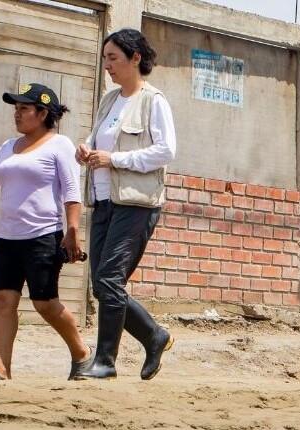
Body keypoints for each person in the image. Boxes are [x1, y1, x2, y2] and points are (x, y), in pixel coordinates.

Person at [0, 84, 90, 380]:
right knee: (3, 301)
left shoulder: (59, 145)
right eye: (15, 108)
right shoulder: (8, 146)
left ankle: (82, 354)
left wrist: (72, 230)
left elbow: (72, 193)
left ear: (43, 112)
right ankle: (2, 369)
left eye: (24, 108)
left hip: (43, 236)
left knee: (44, 302)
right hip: (7, 238)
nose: (17, 114)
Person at [75, 28, 178, 380]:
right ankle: (153, 336)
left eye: (113, 58)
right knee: (103, 283)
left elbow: (165, 152)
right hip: (103, 200)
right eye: (105, 58)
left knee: (109, 278)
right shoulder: (110, 100)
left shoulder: (153, 101)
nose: (107, 66)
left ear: (136, 58)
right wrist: (86, 150)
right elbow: (95, 139)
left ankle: (106, 361)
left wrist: (115, 159)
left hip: (136, 204)